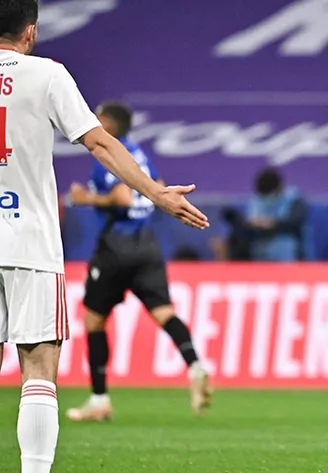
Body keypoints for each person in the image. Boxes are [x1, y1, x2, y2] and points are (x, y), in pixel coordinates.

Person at [0, 2, 208, 472]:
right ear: (30, 32)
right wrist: (156, 193)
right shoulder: (46, 74)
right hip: (29, 243)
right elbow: (98, 142)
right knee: (37, 368)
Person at [64, 101, 212, 422]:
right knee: (163, 312)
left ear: (111, 124)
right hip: (147, 244)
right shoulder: (139, 155)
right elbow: (156, 188)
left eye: (100, 118)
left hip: (118, 244)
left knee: (93, 320)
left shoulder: (108, 153)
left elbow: (121, 197)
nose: (95, 121)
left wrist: (85, 199)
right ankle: (195, 364)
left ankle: (99, 398)